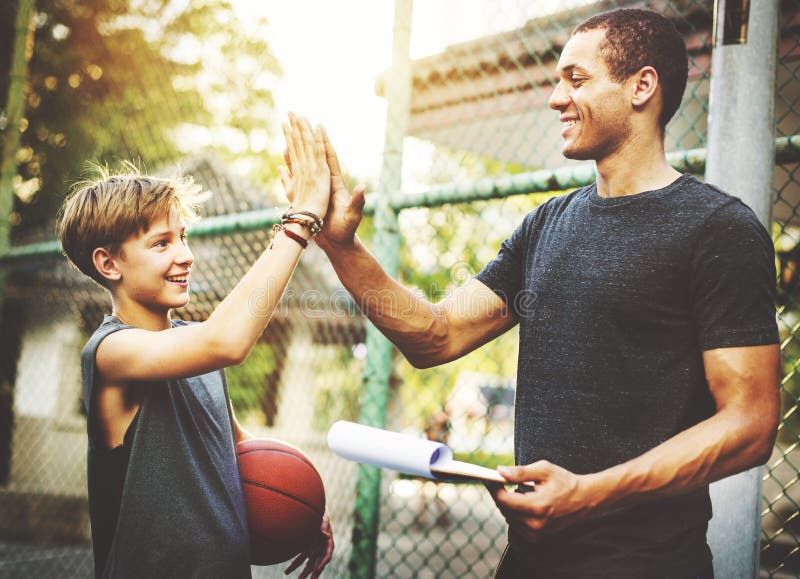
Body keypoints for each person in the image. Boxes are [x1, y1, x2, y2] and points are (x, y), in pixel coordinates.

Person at [282, 8, 780, 579]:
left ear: (642, 86)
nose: (554, 98)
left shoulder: (718, 229)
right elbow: (435, 337)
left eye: (576, 78)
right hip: (529, 563)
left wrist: (591, 493)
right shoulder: (546, 225)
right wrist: (341, 246)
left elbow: (750, 422)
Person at [58, 115, 334, 579]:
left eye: (182, 237)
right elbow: (226, 340)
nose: (185, 254)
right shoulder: (111, 354)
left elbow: (239, 449)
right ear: (108, 263)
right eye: (161, 243)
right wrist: (300, 220)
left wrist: (298, 508)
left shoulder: (196, 348)